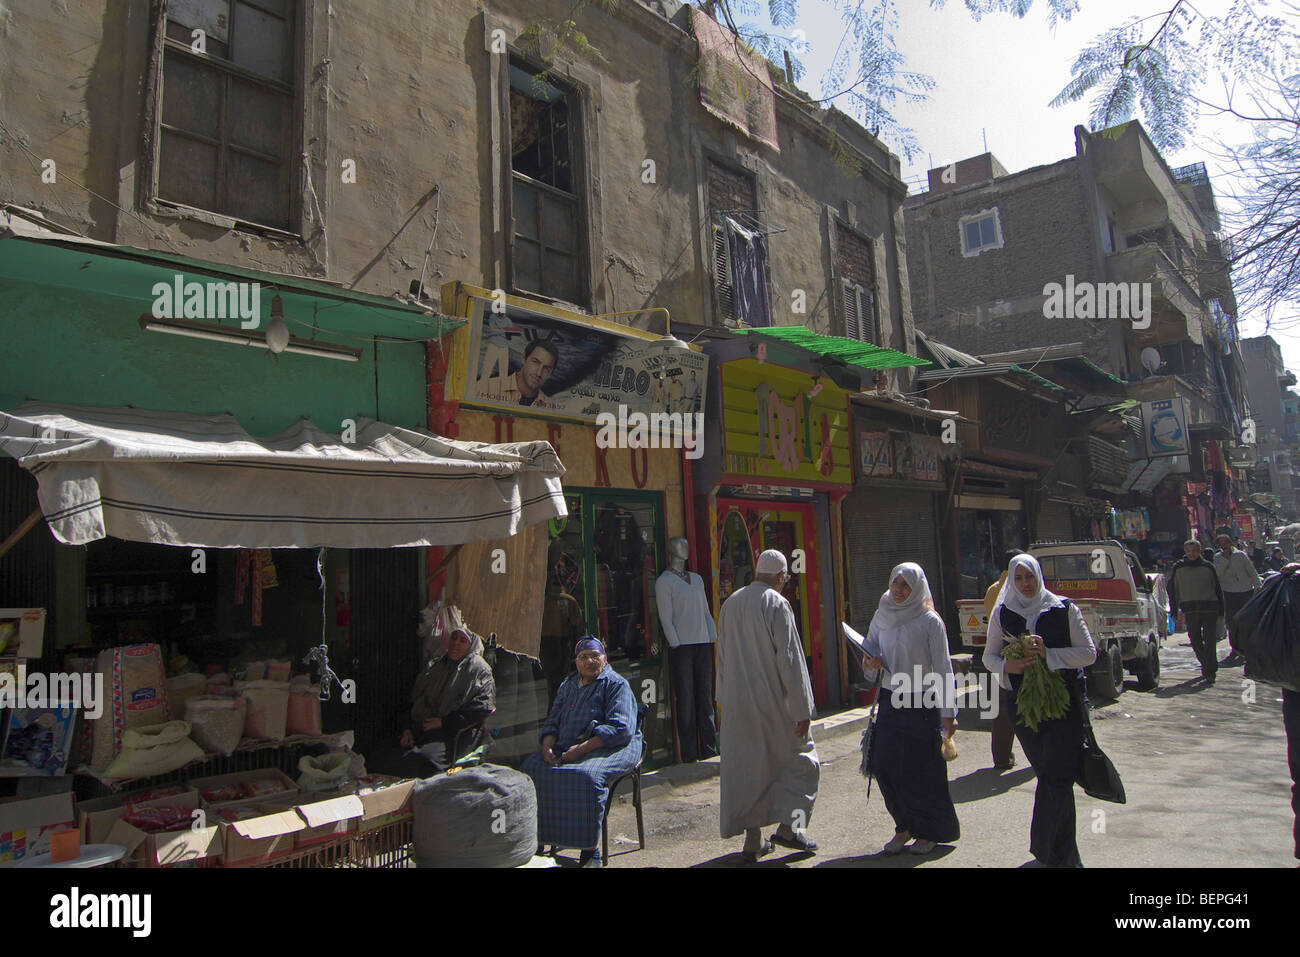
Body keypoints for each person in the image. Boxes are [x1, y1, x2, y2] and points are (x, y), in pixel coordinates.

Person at [984, 554, 1096, 867]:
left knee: (1057, 775)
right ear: (1011, 582)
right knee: (1049, 774)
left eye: (1029, 577)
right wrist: (1010, 665)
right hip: (1022, 706)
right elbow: (988, 658)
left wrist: (1050, 654)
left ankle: (1049, 851)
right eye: (1018, 579)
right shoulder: (1003, 612)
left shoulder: (1063, 608)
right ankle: (1063, 855)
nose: (1025, 584)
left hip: (1064, 705)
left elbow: (1088, 654)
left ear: (1038, 576)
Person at [716, 549, 819, 862]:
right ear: (781, 576)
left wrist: (722, 701)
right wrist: (802, 710)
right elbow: (790, 660)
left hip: (736, 705)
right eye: (786, 576)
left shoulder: (730, 603)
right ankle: (790, 828)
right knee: (803, 764)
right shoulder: (777, 603)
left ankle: (753, 841)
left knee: (749, 770)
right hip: (773, 705)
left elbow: (721, 659)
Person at [859, 563, 961, 856]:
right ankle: (903, 826)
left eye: (906, 585)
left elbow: (943, 668)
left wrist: (948, 712)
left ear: (917, 587)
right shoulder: (882, 615)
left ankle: (929, 831)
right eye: (896, 583)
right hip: (891, 700)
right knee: (884, 764)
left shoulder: (929, 621)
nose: (900, 590)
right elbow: (869, 660)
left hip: (922, 703)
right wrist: (871, 663)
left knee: (923, 770)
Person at [523, 637, 642, 868]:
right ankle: (537, 843)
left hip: (610, 746)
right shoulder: (568, 685)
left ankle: (589, 850)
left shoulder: (616, 685)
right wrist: (547, 745)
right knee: (532, 769)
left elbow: (622, 729)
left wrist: (581, 749)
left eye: (594, 656)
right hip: (568, 745)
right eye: (583, 657)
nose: (589, 661)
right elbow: (553, 720)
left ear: (605, 659)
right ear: (576, 662)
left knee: (587, 777)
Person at [381, 605, 496, 778]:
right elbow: (416, 699)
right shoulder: (437, 666)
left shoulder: (479, 670)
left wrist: (444, 722)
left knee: (422, 762)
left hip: (452, 735)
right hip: (423, 729)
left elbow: (481, 708)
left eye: (462, 641)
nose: (456, 644)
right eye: (454, 638)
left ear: (471, 644)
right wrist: (408, 729)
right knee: (386, 756)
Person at [656, 536, 717, 762]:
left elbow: (705, 610)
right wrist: (675, 642)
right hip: (682, 646)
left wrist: (712, 635)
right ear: (672, 550)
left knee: (705, 697)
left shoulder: (697, 579)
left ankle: (710, 748)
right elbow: (666, 617)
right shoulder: (664, 582)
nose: (686, 548)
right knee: (686, 699)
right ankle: (690, 754)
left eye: (686, 544)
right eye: (681, 545)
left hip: (702, 643)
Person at [983, 548, 1023, 769]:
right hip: (1021, 653)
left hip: (997, 653)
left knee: (1001, 712)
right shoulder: (1021, 588)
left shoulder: (992, 590)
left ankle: (1001, 758)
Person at [1168, 539, 1226, 684]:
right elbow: (1173, 590)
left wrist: (1221, 610)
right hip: (1190, 609)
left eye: (1194, 551)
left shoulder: (1208, 567)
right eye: (1188, 551)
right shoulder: (1179, 568)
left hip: (1210, 607)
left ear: (1200, 551)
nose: (1191, 554)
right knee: (1195, 640)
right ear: (1185, 552)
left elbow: (1218, 589)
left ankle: (1210, 670)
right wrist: (1174, 611)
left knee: (1210, 640)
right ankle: (1207, 664)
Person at [1214, 533, 1261, 667]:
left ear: (1230, 543)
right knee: (1231, 621)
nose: (1224, 546)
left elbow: (1251, 571)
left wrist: (1257, 585)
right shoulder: (1217, 558)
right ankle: (1235, 648)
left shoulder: (1240, 555)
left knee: (1246, 620)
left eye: (1226, 543)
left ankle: (1247, 647)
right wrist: (1224, 560)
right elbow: (1217, 574)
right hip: (1228, 592)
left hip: (1245, 590)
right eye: (1221, 544)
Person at [476, 339, 559, 407]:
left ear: (551, 373)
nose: (539, 373)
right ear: (524, 358)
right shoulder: (485, 388)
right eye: (535, 362)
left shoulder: (549, 406)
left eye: (546, 368)